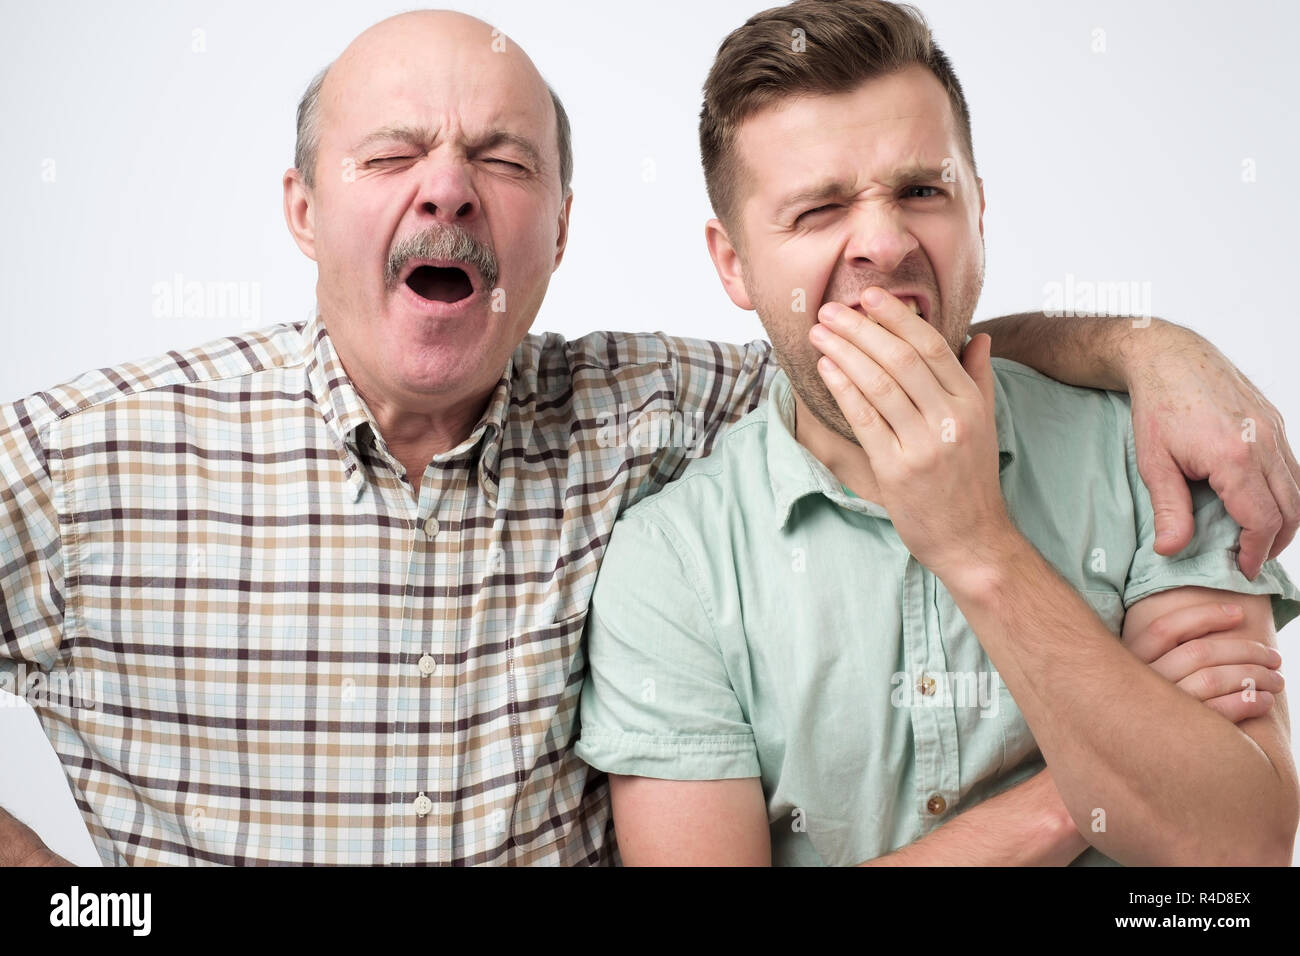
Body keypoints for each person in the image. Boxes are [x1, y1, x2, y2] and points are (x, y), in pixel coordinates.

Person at [0, 7, 1295, 866]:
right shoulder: (90, 459)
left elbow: (1242, 851)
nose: (445, 185)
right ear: (299, 207)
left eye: (502, 159)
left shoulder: (658, 412)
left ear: (558, 229)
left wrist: (1145, 347)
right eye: (393, 153)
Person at [575, 0, 1299, 865]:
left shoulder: (1150, 454)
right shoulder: (672, 566)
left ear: (980, 209)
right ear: (732, 262)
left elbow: (1238, 853)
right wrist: (1081, 788)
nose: (884, 242)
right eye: (818, 210)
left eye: (922, 191)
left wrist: (978, 545)